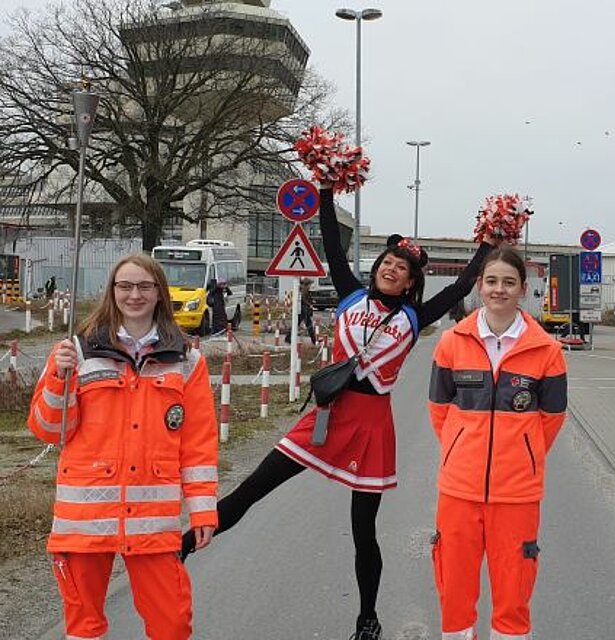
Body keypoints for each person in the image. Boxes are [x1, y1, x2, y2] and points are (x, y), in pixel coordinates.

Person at [180, 186, 500, 640]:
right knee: (253, 487)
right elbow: (331, 244)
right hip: (327, 416)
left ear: (411, 281)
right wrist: (327, 190)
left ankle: (367, 619)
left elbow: (462, 286)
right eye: (387, 262)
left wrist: (487, 242)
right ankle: (183, 546)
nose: (391, 269)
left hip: (371, 427)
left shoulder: (415, 316)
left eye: (401, 268)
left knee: (364, 531)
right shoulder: (351, 295)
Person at [27, 254, 219, 640]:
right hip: (85, 517)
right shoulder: (76, 352)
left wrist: (202, 511)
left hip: (153, 519)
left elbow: (197, 443)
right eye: (125, 286)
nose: (135, 295)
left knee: (172, 625)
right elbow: (49, 430)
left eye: (145, 286)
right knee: (84, 627)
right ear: (112, 292)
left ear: (159, 294)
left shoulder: (186, 360)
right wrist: (59, 380)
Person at [427, 247, 568, 640]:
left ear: (523, 289)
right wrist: (462, 449)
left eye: (509, 282)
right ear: (479, 286)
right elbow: (439, 409)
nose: (499, 290)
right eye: (492, 281)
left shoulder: (548, 351)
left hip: (517, 493)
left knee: (513, 591)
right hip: (458, 489)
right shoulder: (452, 342)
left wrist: (521, 455)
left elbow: (551, 420)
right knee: (454, 587)